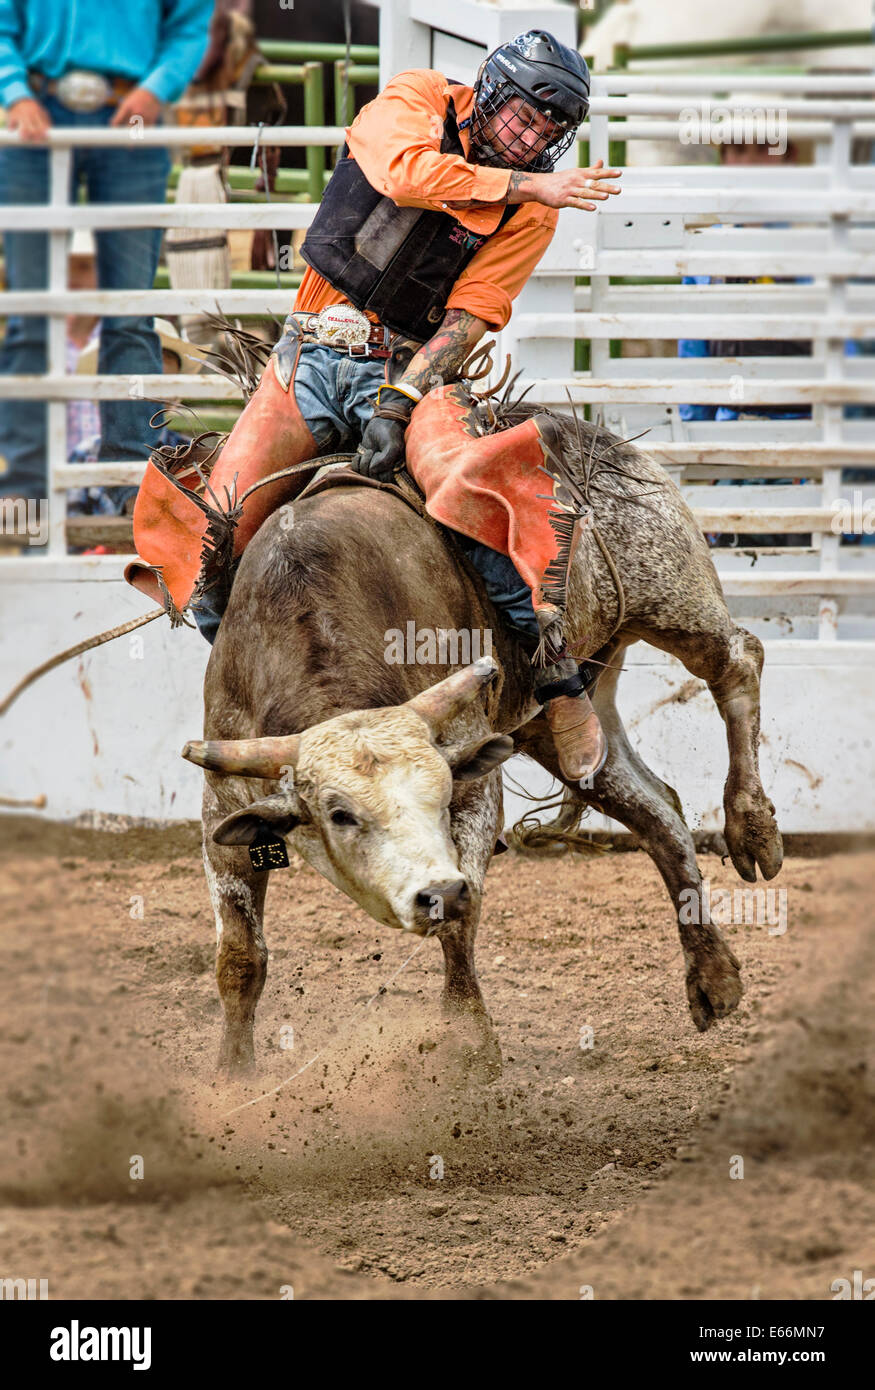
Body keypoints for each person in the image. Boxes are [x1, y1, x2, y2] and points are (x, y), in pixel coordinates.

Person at [128, 29, 622, 783]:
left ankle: (558, 683)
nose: (530, 140)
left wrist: (401, 400)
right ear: (489, 94)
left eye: (547, 134)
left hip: (409, 369)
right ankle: (260, 689)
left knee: (469, 490)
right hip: (307, 357)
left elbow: (472, 314)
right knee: (214, 531)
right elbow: (403, 171)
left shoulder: (536, 211)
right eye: (524, 117)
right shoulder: (416, 98)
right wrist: (523, 185)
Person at [0, 0, 214, 532]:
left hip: (131, 120)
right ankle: (28, 493)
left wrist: (153, 90)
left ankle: (126, 486)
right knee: (34, 312)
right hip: (36, 119)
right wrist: (14, 91)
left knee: (130, 313)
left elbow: (189, 27)